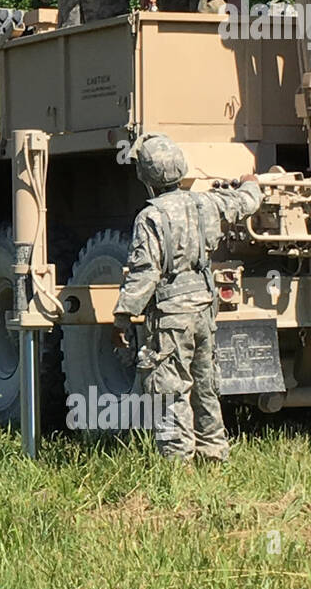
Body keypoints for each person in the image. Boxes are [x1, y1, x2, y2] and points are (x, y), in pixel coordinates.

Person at [111, 136, 260, 463]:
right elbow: (245, 203)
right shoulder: (206, 202)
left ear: (147, 177)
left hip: (171, 315)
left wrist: (123, 315)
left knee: (170, 390)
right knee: (205, 386)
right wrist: (251, 184)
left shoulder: (150, 218)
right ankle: (214, 455)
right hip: (204, 308)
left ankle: (178, 466)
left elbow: (145, 272)